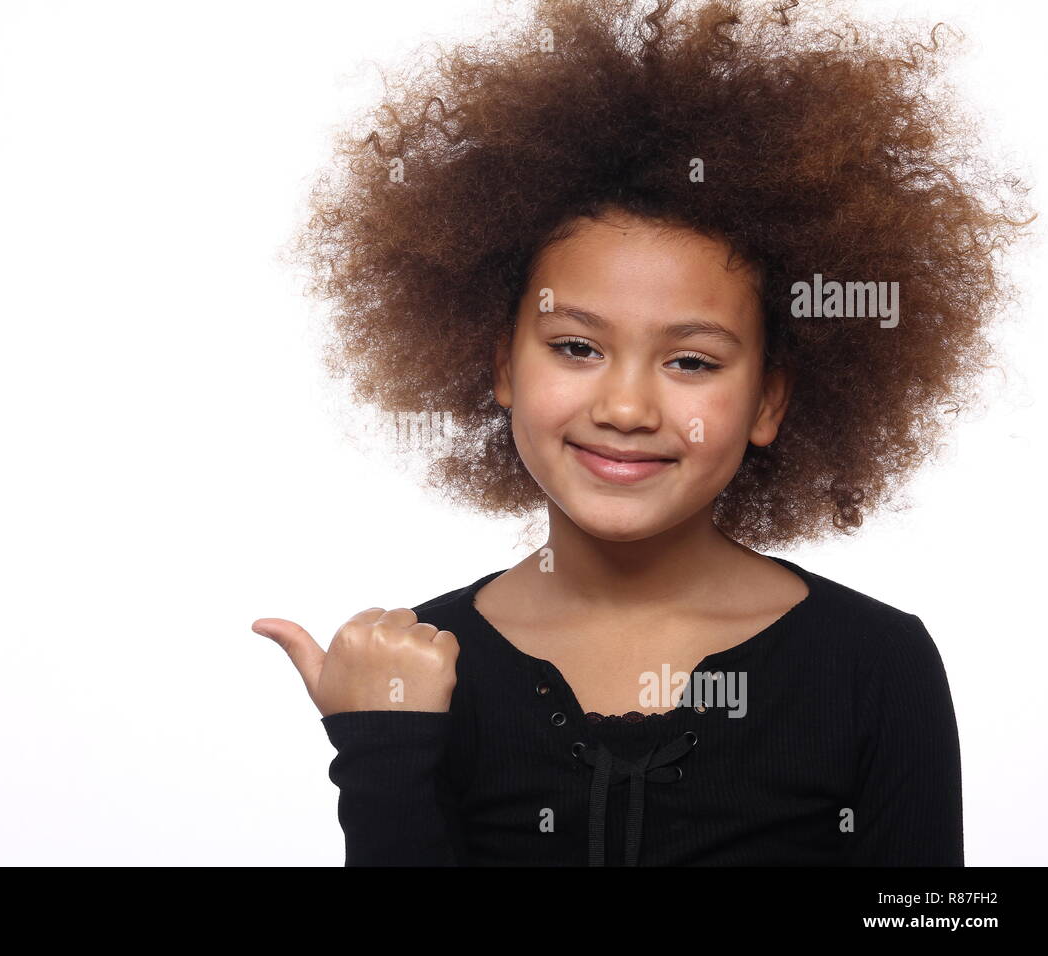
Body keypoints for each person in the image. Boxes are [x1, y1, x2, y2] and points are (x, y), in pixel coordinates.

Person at [252, 0, 1032, 865]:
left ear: (769, 401)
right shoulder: (425, 668)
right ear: (502, 366)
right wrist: (381, 750)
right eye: (577, 347)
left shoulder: (874, 665)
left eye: (691, 362)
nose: (626, 408)